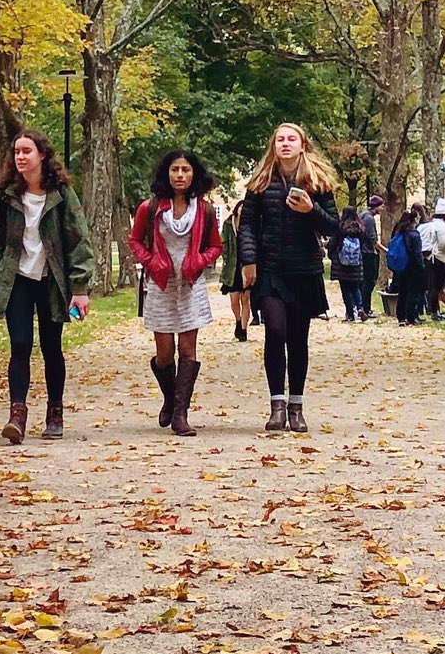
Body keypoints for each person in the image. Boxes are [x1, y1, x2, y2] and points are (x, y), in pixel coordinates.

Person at [0, 129, 94, 443]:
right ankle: (16, 416)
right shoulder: (7, 194)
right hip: (18, 279)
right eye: (17, 151)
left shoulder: (61, 194)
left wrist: (80, 287)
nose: (20, 157)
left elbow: (78, 240)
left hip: (51, 280)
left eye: (26, 151)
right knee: (19, 345)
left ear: (41, 155)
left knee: (51, 348)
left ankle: (55, 413)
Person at [236, 121, 342, 433]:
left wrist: (311, 209)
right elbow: (248, 226)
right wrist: (249, 261)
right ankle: (277, 405)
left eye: (291, 139)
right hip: (270, 269)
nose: (285, 143)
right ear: (274, 146)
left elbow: (332, 228)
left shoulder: (318, 183)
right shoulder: (260, 184)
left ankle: (296, 406)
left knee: (298, 339)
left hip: (304, 269)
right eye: (280, 138)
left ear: (302, 145)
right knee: (275, 332)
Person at [129, 147, 222, 437]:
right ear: (166, 173)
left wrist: (201, 260)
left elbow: (215, 246)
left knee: (188, 349)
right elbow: (135, 241)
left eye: (185, 170)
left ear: (194, 174)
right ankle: (170, 397)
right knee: (164, 353)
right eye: (175, 170)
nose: (180, 175)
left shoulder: (204, 209)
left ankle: (181, 413)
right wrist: (151, 260)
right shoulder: (151, 207)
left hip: (191, 283)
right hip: (160, 283)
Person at [384, 206, 426, 324]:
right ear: (414, 220)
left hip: (401, 266)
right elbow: (417, 253)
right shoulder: (414, 234)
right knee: (413, 292)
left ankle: (401, 316)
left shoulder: (399, 233)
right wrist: (421, 266)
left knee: (402, 291)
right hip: (413, 267)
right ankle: (411, 316)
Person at [333, 206, 372, 319]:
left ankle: (350, 314)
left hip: (342, 263)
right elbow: (364, 242)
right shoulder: (360, 228)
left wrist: (332, 255)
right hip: (356, 262)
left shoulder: (340, 227)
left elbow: (333, 243)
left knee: (345, 288)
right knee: (355, 287)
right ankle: (360, 308)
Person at [219, 197, 249, 341]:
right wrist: (225, 258)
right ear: (236, 209)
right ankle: (238, 321)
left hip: (246, 265)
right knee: (234, 300)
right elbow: (222, 242)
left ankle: (244, 329)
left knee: (246, 300)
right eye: (240, 208)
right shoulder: (228, 224)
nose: (242, 211)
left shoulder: (249, 226)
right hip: (232, 267)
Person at [419, 199, 445, 318]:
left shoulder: (432, 224)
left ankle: (434, 310)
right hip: (439, 258)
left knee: (433, 286)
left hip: (432, 257)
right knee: (437, 286)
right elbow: (443, 244)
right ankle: (434, 311)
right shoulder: (442, 226)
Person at [362, 195, 385, 316]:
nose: (383, 208)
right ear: (375, 207)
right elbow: (373, 240)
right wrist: (385, 250)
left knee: (365, 281)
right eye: (381, 206)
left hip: (364, 253)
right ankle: (366, 309)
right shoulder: (369, 219)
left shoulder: (364, 215)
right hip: (368, 254)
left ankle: (364, 307)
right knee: (369, 281)